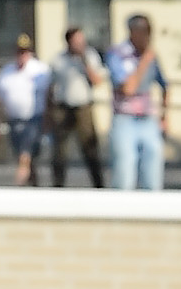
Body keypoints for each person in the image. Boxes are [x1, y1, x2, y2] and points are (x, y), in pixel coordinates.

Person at [108, 10, 172, 191]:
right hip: (124, 118)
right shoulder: (117, 54)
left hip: (148, 119)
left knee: (153, 172)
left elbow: (165, 85)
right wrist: (143, 62)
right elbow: (127, 88)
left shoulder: (152, 56)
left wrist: (165, 116)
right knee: (124, 173)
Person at [48, 23, 108, 189]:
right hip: (62, 107)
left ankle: (98, 186)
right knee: (60, 151)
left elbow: (97, 81)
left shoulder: (90, 56)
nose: (80, 44)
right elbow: (51, 87)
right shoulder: (58, 60)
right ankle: (58, 186)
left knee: (90, 147)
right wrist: (49, 113)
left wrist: (84, 61)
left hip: (83, 107)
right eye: (76, 41)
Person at [0, 34, 52, 186]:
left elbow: (49, 96)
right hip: (14, 120)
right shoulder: (7, 72)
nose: (22, 55)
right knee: (26, 160)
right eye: (20, 51)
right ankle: (35, 189)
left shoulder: (40, 70)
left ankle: (17, 190)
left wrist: (48, 120)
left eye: (25, 51)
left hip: (34, 119)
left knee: (24, 158)